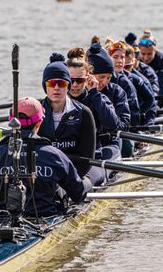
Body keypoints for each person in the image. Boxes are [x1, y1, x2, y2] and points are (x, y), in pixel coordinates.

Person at [0, 97, 92, 217]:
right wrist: (87, 181)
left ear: (11, 122)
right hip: (46, 220)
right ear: (39, 123)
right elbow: (79, 194)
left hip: (2, 223)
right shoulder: (55, 156)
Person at [67, 47, 120, 185]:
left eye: (79, 80)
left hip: (92, 159)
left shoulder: (97, 98)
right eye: (71, 80)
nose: (74, 85)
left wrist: (94, 94)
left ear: (87, 79)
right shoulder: (58, 100)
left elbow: (113, 125)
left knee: (78, 184)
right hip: (65, 157)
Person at [37, 53, 96, 178]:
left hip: (74, 173)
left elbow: (86, 160)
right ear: (45, 86)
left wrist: (68, 182)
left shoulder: (84, 113)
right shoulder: (35, 112)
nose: (56, 88)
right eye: (52, 83)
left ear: (68, 86)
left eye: (61, 83)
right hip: (43, 174)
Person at [86, 41, 131, 154]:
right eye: (101, 77)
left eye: (109, 77)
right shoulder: (77, 90)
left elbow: (123, 126)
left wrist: (95, 95)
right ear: (89, 75)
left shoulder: (117, 91)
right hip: (87, 143)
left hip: (111, 141)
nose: (104, 82)